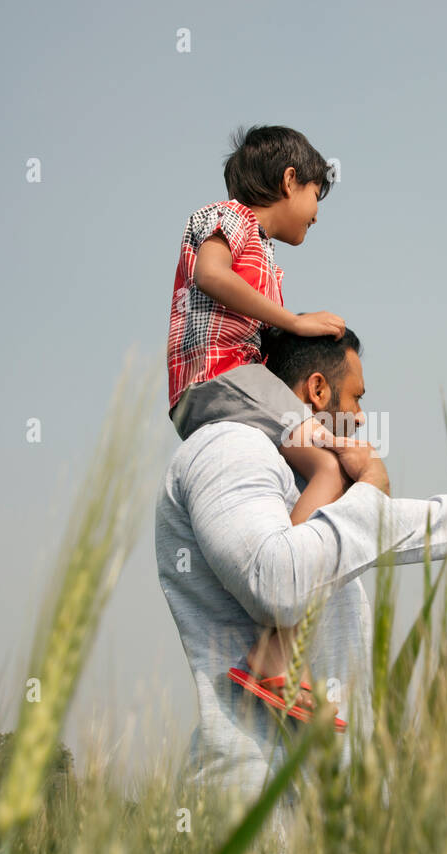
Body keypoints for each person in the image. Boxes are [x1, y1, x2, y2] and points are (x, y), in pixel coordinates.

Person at [155, 326, 447, 804]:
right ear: (318, 389)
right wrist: (368, 483)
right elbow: (278, 584)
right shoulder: (228, 449)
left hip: (321, 793)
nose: (362, 418)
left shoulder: (297, 469)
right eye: (356, 398)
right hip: (254, 794)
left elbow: (374, 530)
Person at [165, 124, 357, 712]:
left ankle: (280, 654)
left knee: (327, 465)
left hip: (236, 383)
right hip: (217, 377)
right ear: (289, 180)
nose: (317, 216)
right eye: (316, 197)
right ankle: (273, 658)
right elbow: (210, 276)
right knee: (333, 464)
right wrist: (296, 323)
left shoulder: (267, 257)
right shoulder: (223, 217)